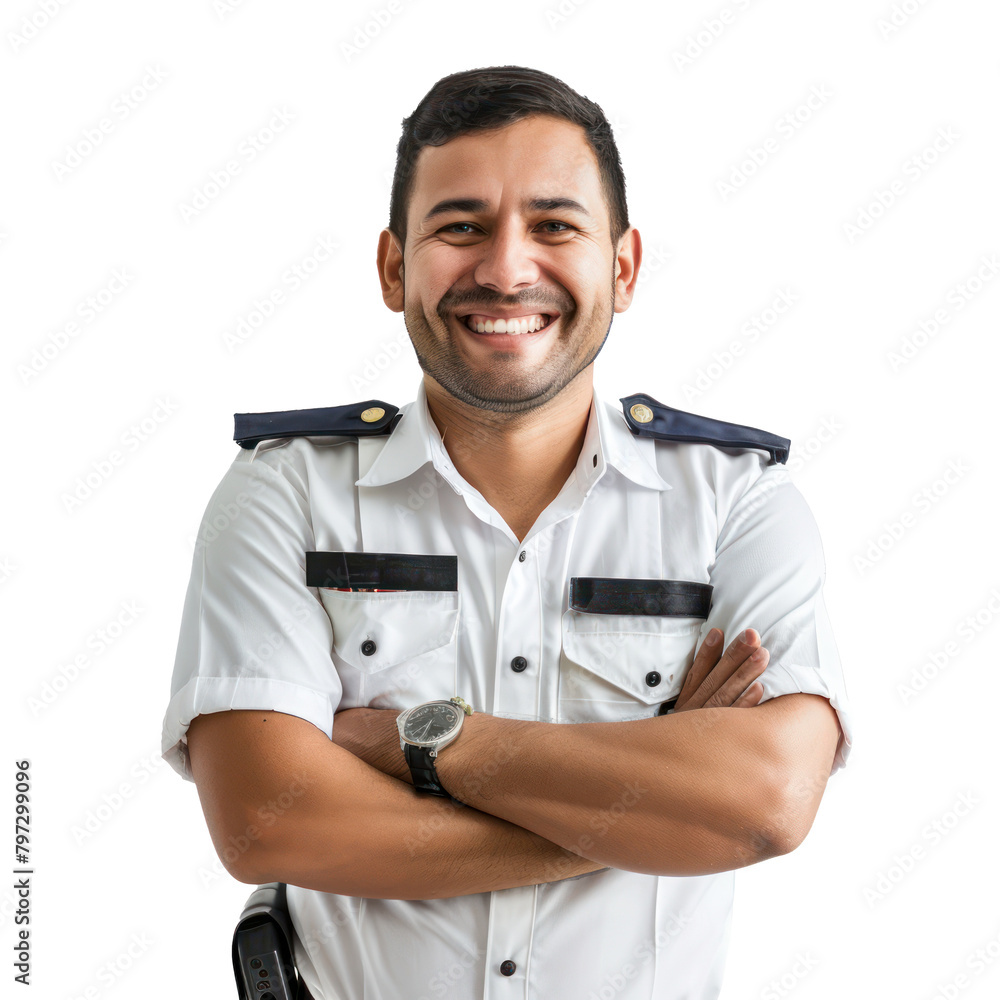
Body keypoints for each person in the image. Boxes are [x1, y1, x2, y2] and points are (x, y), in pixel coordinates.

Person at [162, 65, 853, 1000]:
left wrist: (421, 741)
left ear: (624, 266)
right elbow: (267, 826)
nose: (506, 268)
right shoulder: (283, 493)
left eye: (555, 225)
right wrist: (649, 812)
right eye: (461, 227)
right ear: (393, 266)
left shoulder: (739, 506)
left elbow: (767, 803)